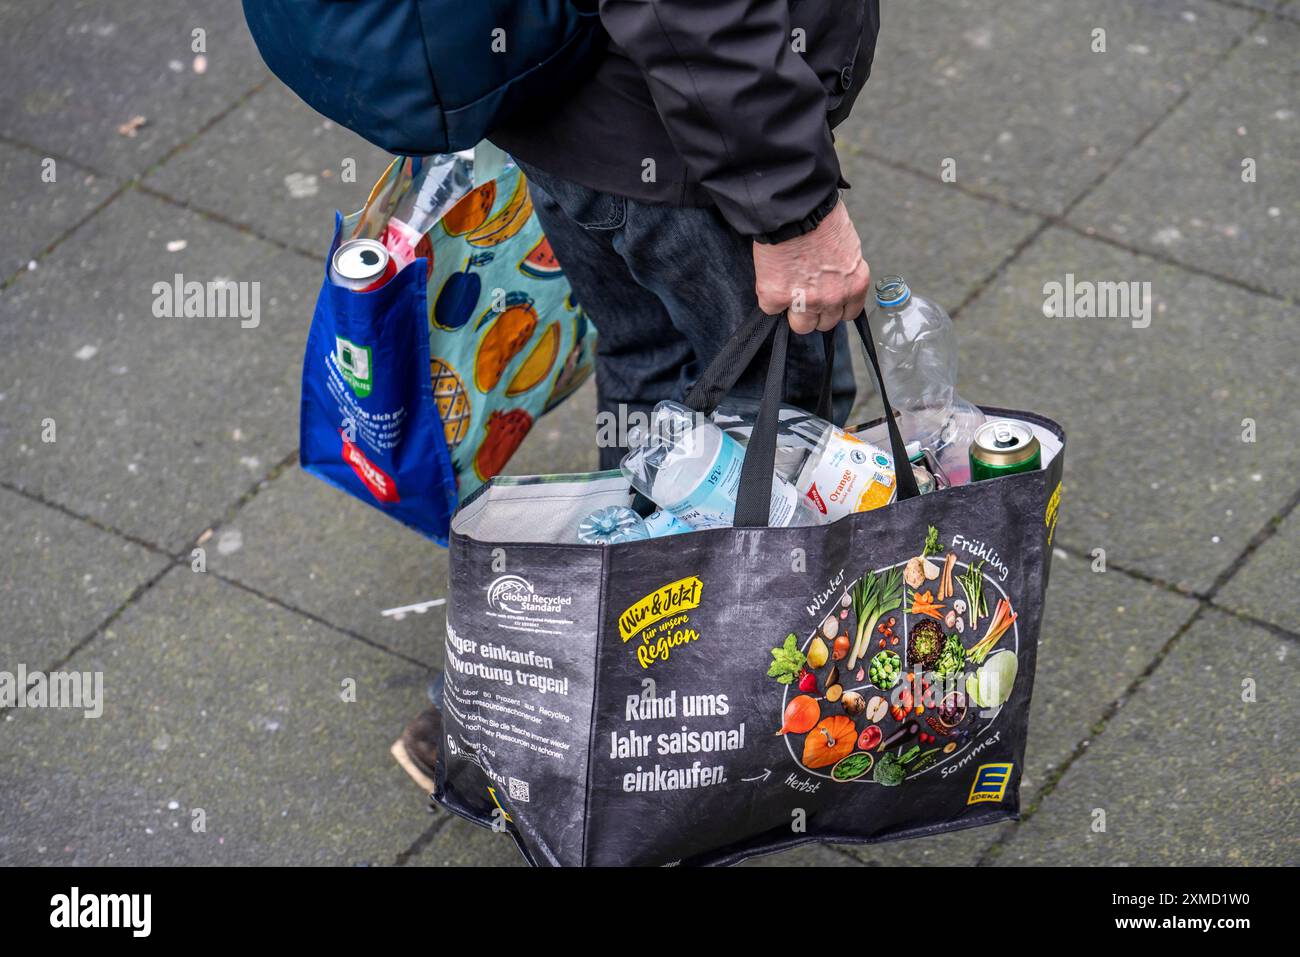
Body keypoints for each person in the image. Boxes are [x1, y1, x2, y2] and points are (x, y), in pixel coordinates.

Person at [491, 0, 882, 468]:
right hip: (689, 150)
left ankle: (628, 536)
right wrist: (796, 211)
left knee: (649, 364)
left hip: (562, 113)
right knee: (776, 418)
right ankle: (758, 540)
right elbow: (697, 17)